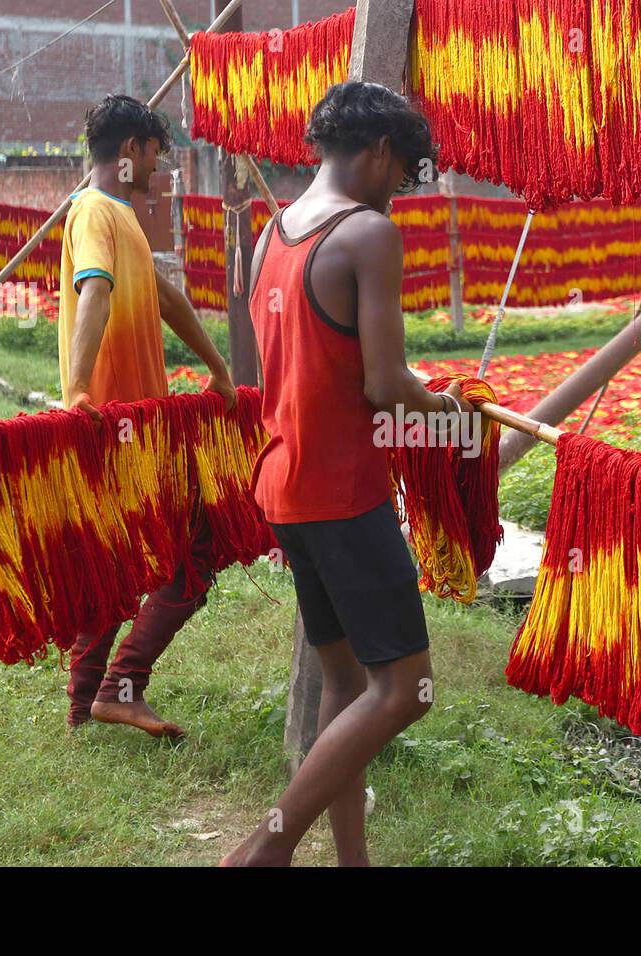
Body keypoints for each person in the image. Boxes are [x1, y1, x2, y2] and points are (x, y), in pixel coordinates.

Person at [222, 81, 475, 867]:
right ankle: (263, 849)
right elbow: (383, 384)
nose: (399, 195)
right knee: (403, 691)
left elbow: (275, 365)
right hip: (341, 493)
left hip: (285, 486)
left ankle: (352, 864)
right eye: (401, 176)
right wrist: (448, 408)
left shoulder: (276, 234)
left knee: (343, 685)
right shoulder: (367, 235)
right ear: (376, 152)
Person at [59, 93, 236, 738]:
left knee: (113, 559)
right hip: (116, 424)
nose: (160, 165)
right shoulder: (95, 212)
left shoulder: (123, 218)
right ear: (131, 150)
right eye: (157, 152)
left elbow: (166, 298)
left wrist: (218, 368)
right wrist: (79, 391)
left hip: (139, 424)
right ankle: (116, 688)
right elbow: (95, 293)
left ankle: (87, 707)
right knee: (197, 550)